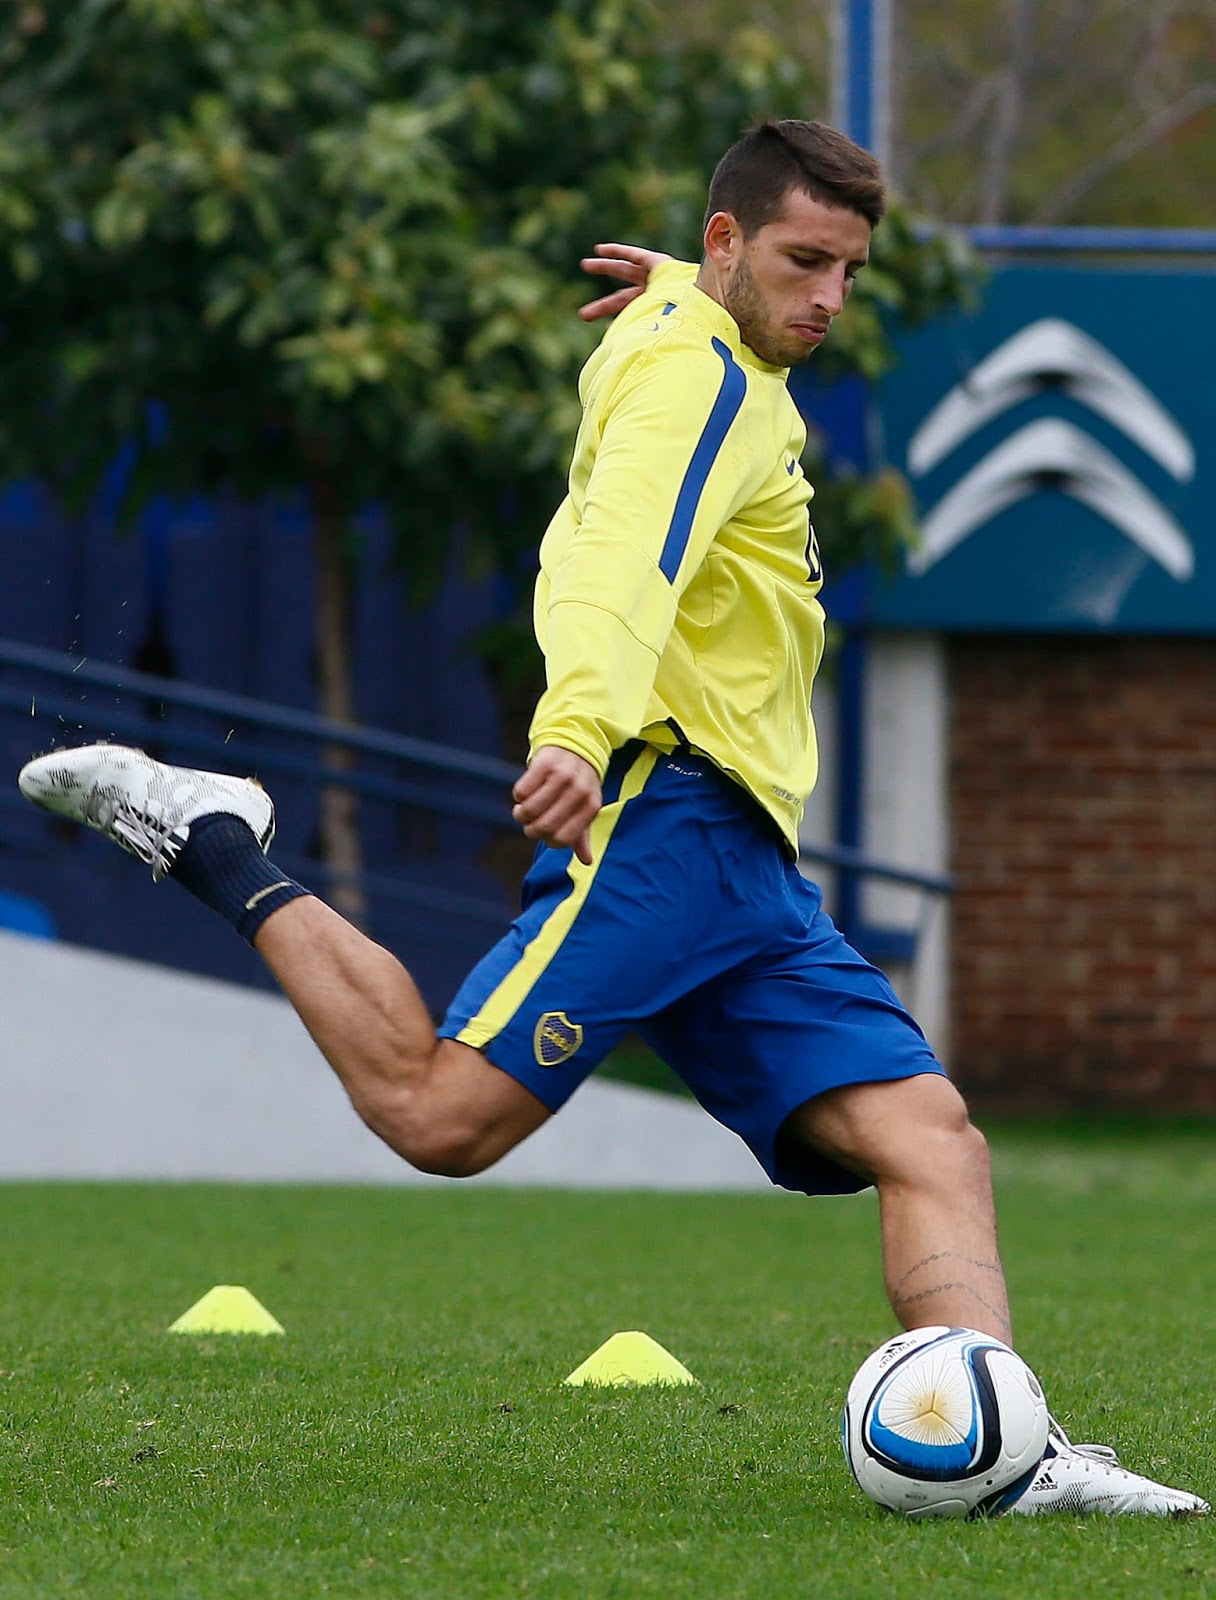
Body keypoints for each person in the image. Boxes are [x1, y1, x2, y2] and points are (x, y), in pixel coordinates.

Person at [18, 119, 1205, 1517]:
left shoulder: (704, 346)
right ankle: (216, 839)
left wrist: (679, 289)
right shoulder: (701, 383)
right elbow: (616, 564)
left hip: (746, 862)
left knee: (930, 1137)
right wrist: (575, 731)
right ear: (728, 244)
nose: (827, 295)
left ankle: (1006, 1456)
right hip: (661, 817)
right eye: (801, 261)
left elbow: (692, 364)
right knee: (437, 1116)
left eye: (848, 271)